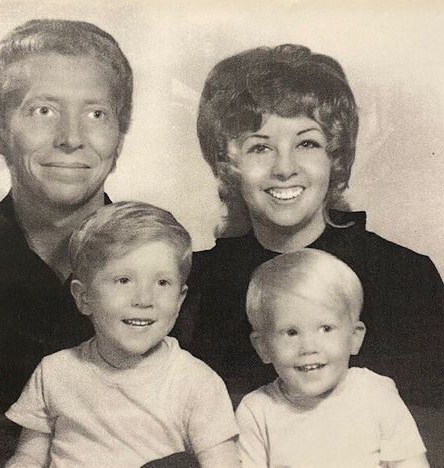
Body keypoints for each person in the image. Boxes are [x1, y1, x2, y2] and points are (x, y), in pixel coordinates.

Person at [184, 44, 444, 408]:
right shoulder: (193, 286)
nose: (284, 168)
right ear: (229, 165)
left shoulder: (404, 278)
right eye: (260, 148)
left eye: (306, 143)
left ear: (334, 157)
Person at [0, 19, 133, 432]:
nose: (71, 138)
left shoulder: (171, 267)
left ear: (120, 134)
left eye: (96, 113)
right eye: (43, 111)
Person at [5, 202, 240, 468]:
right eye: (124, 280)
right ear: (84, 297)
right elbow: (29, 455)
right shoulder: (54, 372)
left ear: (179, 300)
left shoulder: (196, 382)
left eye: (162, 282)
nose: (144, 299)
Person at [236, 249, 429, 467]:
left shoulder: (376, 394)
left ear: (354, 337)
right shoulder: (256, 412)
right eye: (291, 332)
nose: (308, 347)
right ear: (263, 346)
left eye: (326, 328)